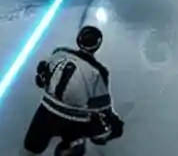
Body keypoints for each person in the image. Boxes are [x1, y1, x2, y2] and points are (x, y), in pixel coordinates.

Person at [23, 25, 124, 155]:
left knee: (31, 146)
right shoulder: (97, 72)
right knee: (77, 142)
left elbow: (41, 79)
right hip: (75, 118)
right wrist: (113, 125)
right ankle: (71, 147)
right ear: (98, 45)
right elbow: (101, 107)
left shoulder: (58, 54)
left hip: (47, 110)